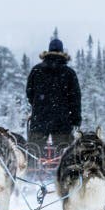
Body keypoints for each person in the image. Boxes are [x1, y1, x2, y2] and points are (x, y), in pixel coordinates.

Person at [26, 38, 81, 171]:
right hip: (62, 120)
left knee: (34, 151)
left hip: (40, 119)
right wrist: (76, 120)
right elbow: (75, 99)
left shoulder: (36, 71)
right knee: (64, 153)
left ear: (48, 51)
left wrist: (38, 106)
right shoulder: (69, 73)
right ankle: (63, 177)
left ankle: (31, 179)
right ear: (62, 52)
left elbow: (29, 93)